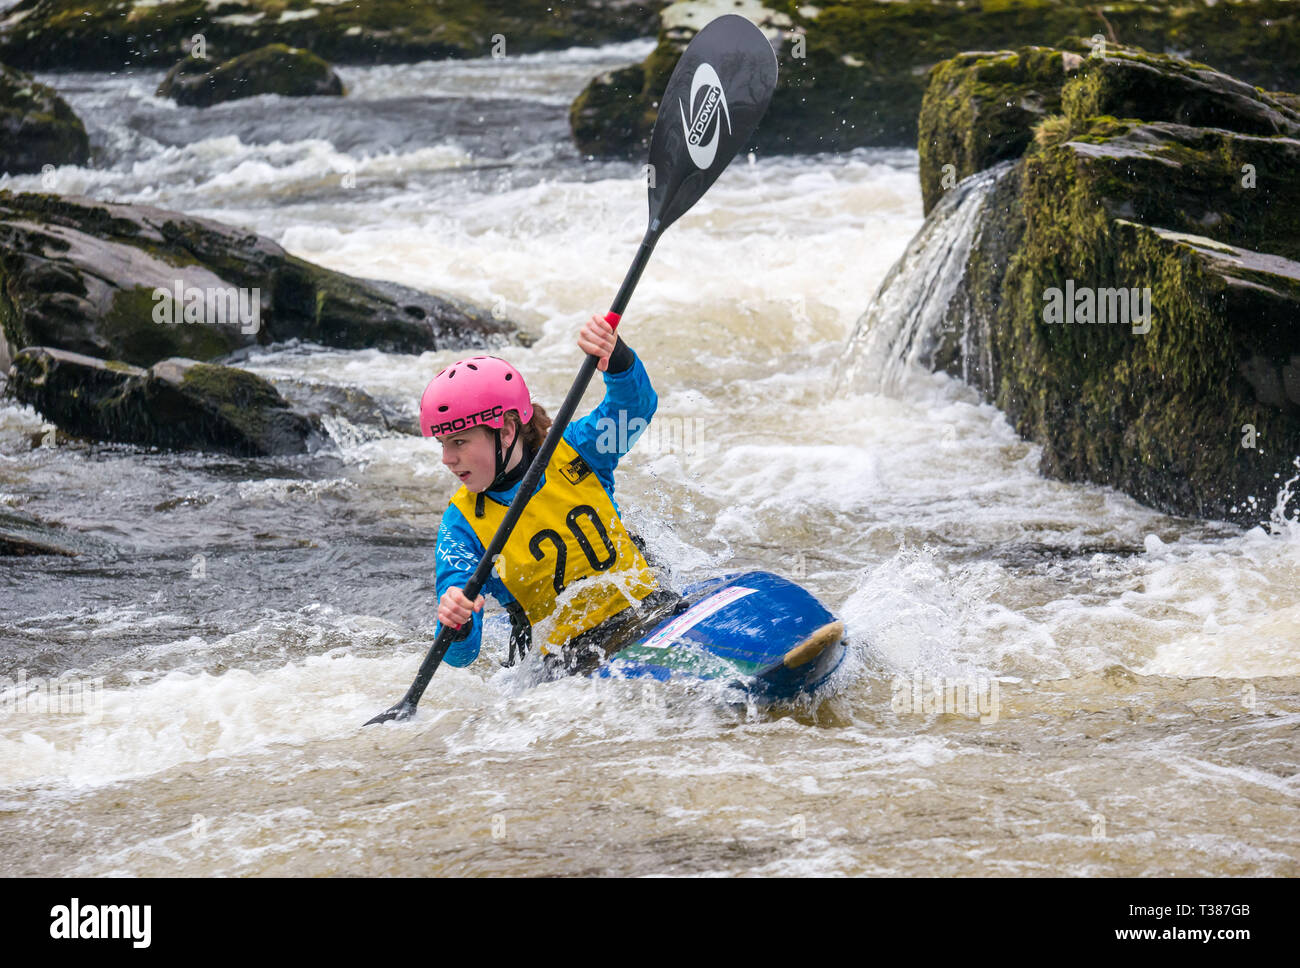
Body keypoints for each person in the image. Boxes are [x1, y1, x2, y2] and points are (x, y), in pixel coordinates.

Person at [425, 313, 681, 676]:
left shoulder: (578, 450)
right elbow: (459, 656)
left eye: (459, 442)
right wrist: (458, 621)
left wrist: (616, 356)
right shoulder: (461, 527)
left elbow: (635, 408)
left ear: (507, 431)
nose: (447, 459)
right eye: (443, 444)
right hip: (566, 665)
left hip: (648, 611)